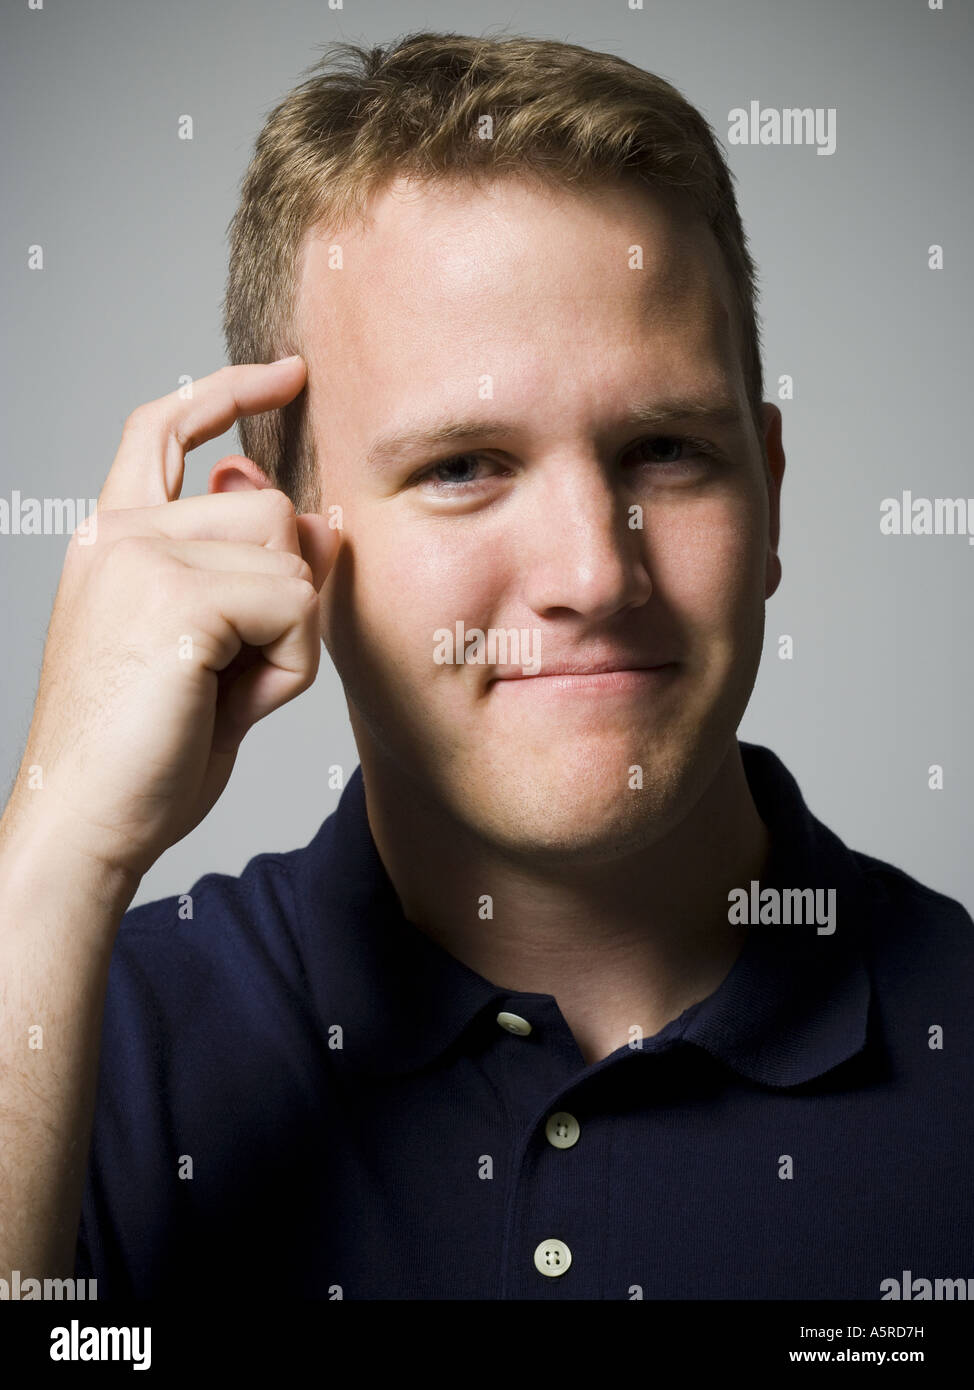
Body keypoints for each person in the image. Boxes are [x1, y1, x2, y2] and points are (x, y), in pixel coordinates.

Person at [1, 30, 971, 1302]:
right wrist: (57, 843)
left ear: (770, 496)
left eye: (666, 450)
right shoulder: (89, 1026)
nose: (593, 572)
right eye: (461, 467)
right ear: (279, 537)